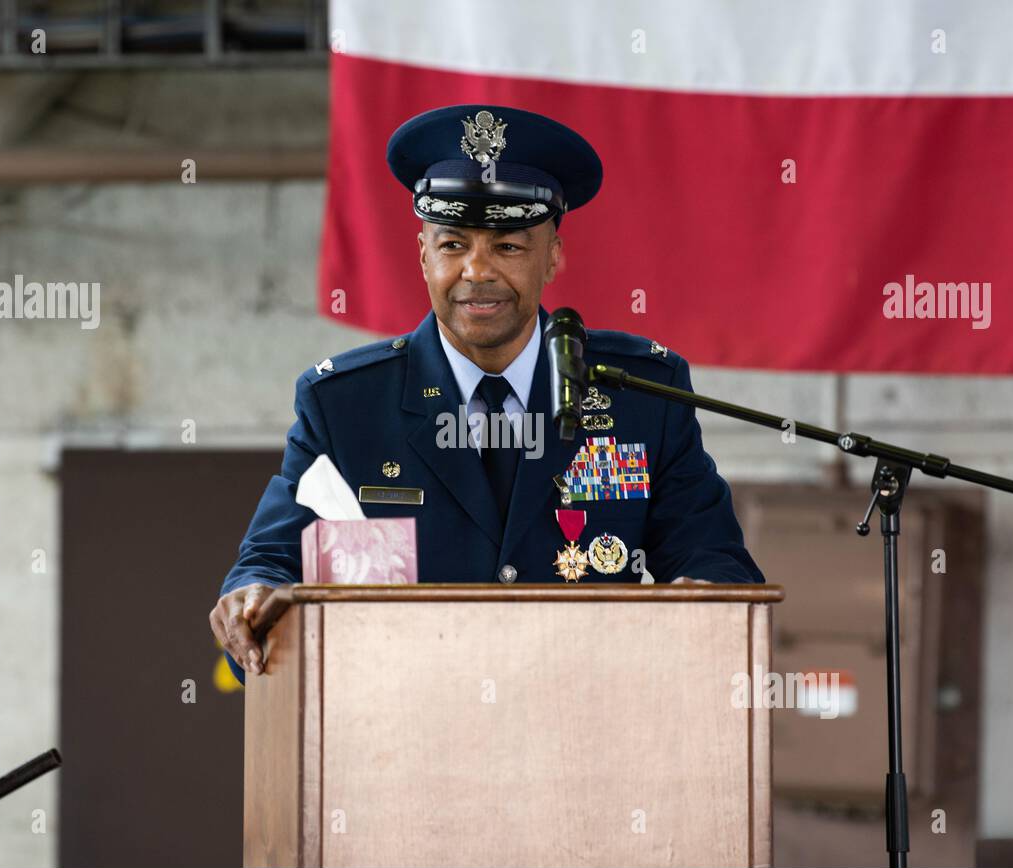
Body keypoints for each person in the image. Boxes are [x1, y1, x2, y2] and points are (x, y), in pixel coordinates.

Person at [210, 104, 763, 684]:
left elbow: (714, 558)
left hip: (588, 724)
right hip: (402, 731)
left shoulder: (641, 395)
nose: (477, 271)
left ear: (553, 256)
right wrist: (253, 596)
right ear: (423, 255)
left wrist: (707, 595)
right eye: (452, 245)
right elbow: (273, 563)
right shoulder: (345, 405)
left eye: (508, 247)